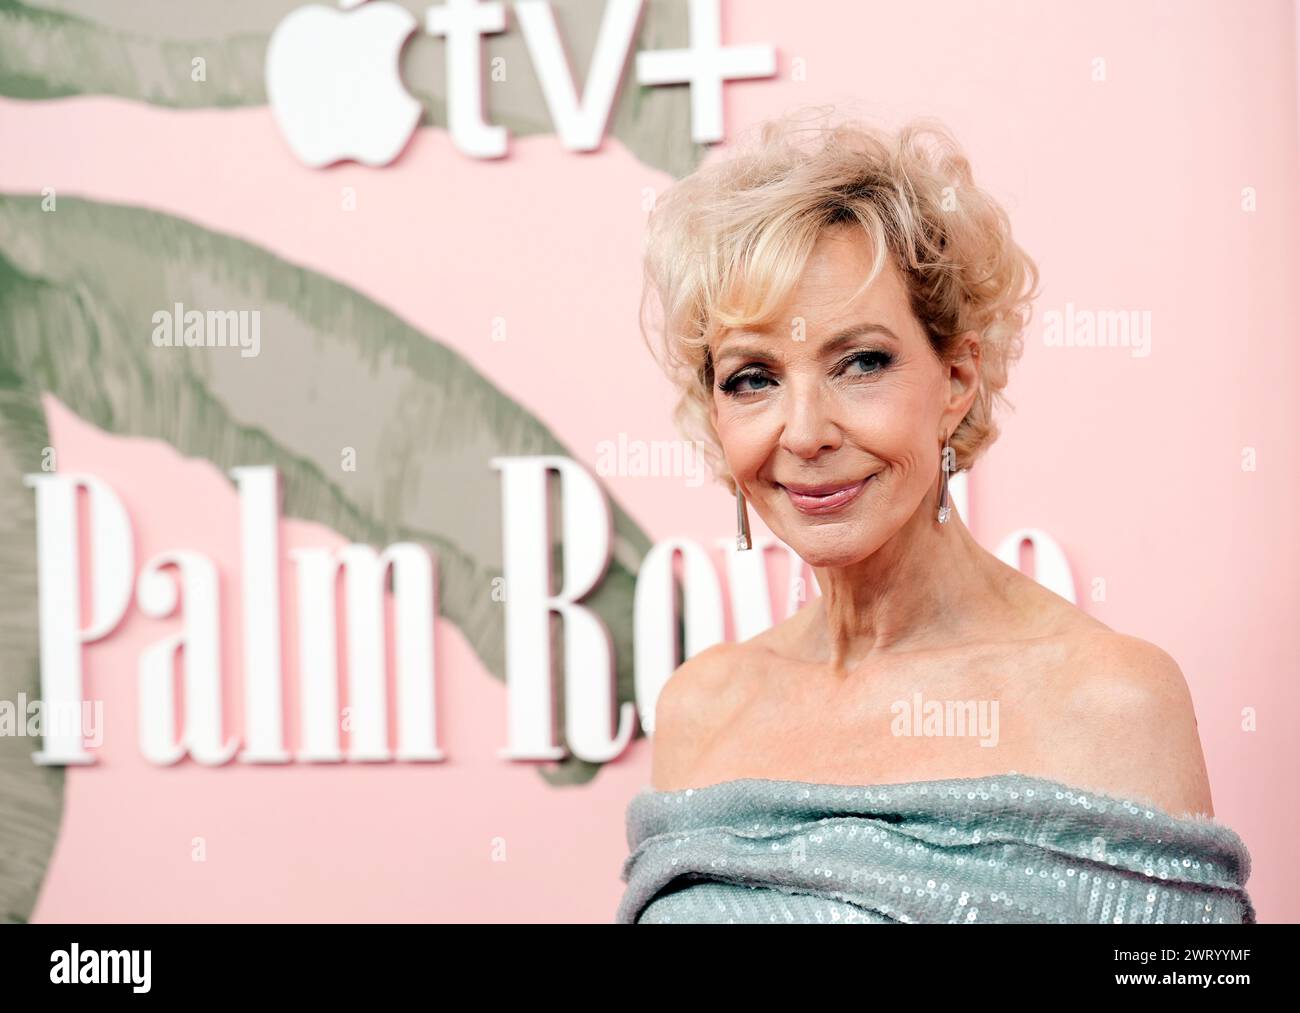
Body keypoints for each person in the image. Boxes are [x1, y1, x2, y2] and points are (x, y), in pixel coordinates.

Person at [617, 107, 1254, 924]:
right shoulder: (698, 708)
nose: (806, 433)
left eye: (861, 363)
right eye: (753, 377)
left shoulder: (1113, 700)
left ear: (956, 379)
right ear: (715, 411)